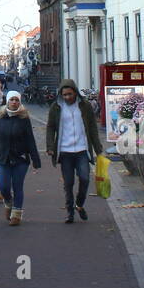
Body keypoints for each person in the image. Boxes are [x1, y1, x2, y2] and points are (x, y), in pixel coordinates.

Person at [45, 79, 104, 223]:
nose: (67, 97)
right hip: (65, 151)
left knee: (85, 178)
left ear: (75, 92)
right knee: (68, 183)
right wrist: (50, 147)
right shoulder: (56, 107)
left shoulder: (85, 106)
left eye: (70, 94)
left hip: (82, 149)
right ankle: (70, 212)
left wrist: (98, 149)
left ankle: (79, 204)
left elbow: (92, 128)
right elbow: (50, 127)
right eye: (64, 95)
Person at [0, 90, 42, 225]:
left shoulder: (24, 119)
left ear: (19, 102)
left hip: (20, 158)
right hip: (2, 158)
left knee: (18, 186)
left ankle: (16, 215)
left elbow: (30, 140)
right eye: (12, 100)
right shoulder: (0, 118)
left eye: (17, 100)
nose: (14, 102)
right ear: (8, 101)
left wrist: (35, 159)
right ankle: (8, 203)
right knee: (4, 187)